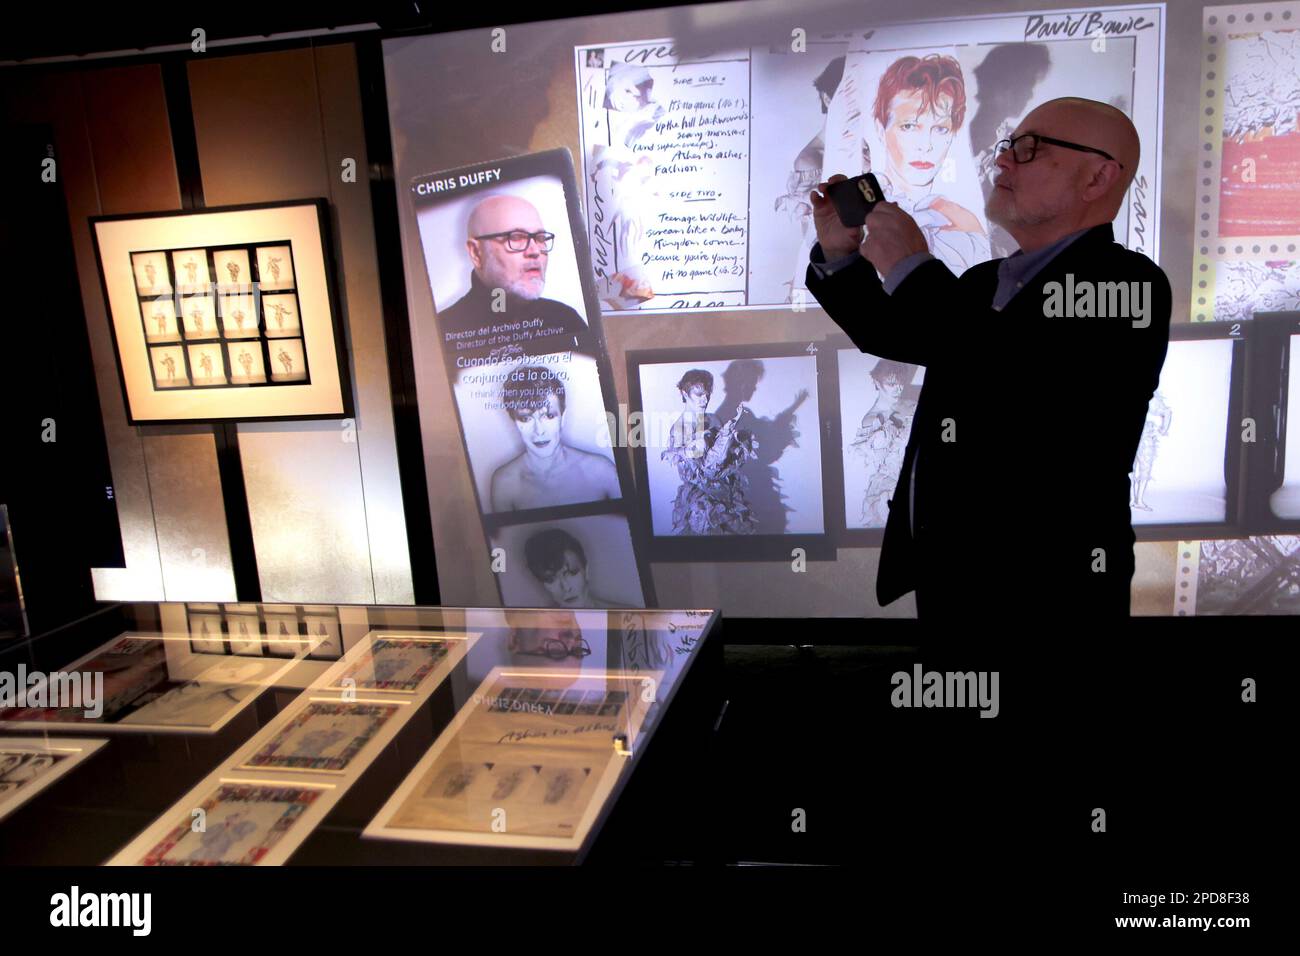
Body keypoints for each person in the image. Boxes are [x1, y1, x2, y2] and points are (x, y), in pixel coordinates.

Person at [807, 96, 1171, 620]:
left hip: (1048, 590)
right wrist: (841, 257)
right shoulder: (985, 281)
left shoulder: (1129, 285)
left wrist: (912, 267)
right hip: (951, 574)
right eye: (1007, 146)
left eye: (1029, 149)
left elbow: (1006, 366)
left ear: (1097, 179)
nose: (1001, 160)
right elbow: (900, 334)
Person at [436, 194, 593, 368]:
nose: (534, 251)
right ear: (476, 252)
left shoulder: (566, 320)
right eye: (516, 237)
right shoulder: (442, 330)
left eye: (540, 238)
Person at [871, 53, 990, 274]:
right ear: (881, 130)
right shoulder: (853, 217)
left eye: (940, 129)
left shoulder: (964, 224)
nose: (925, 145)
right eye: (909, 126)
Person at [489, 365, 619, 511]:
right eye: (526, 419)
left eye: (549, 416)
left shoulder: (602, 471)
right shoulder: (505, 482)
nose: (539, 431)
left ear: (562, 417)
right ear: (514, 422)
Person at [662, 369, 758, 535]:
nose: (704, 400)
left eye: (707, 394)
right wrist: (689, 451)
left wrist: (739, 447)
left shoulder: (713, 419)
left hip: (727, 493)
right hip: (701, 503)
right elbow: (689, 475)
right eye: (699, 394)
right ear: (684, 393)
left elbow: (725, 456)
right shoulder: (679, 430)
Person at [523, 528, 624, 609]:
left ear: (586, 571)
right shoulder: (537, 629)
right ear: (543, 585)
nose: (566, 588)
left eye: (572, 573)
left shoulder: (626, 619)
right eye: (551, 580)